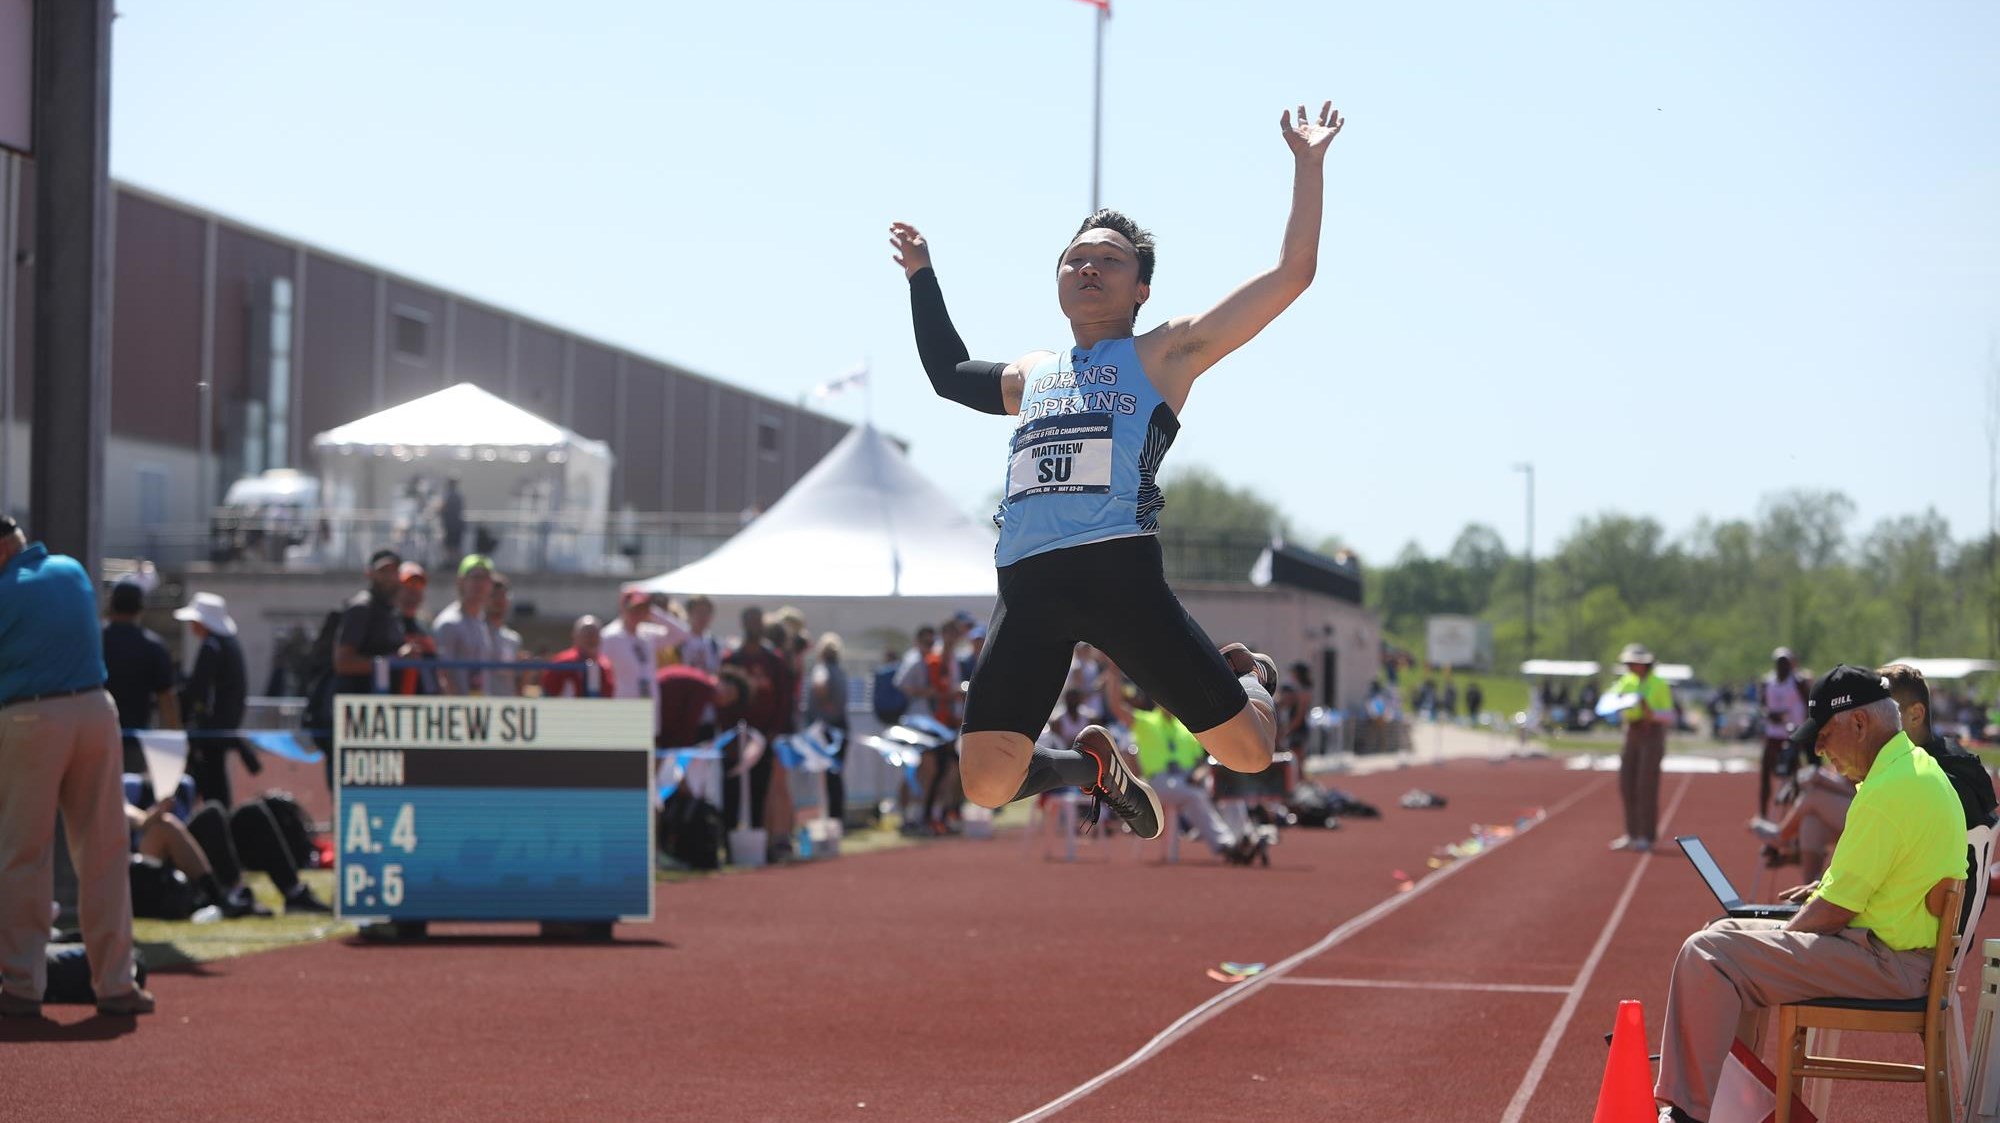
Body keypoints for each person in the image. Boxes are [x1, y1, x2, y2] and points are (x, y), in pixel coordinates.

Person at [886, 100, 1341, 839]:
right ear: (1058, 281)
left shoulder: (1167, 352)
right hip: (1029, 587)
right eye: (1075, 259)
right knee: (987, 780)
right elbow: (946, 372)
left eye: (1109, 259)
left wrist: (1308, 166)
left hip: (1119, 578)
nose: (1088, 266)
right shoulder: (1035, 372)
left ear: (1141, 289)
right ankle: (1091, 767)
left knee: (1249, 754)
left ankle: (1248, 676)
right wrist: (922, 275)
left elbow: (1294, 273)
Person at [1653, 665, 1965, 1123]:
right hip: (1896, 951)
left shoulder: (1888, 790)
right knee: (1725, 934)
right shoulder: (1914, 770)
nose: (1819, 750)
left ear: (1859, 724)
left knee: (1709, 953)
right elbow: (1855, 887)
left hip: (1890, 961)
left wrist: (1782, 939)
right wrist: (1773, 937)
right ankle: (1731, 1105)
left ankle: (1690, 1113)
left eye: (1824, 735)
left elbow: (1836, 910)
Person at [0, 514, 152, 1017]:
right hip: (94, 710)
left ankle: (22, 988)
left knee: (25, 855)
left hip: (30, 718)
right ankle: (115, 984)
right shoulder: (72, 572)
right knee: (105, 852)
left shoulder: (6, 590)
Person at [1129, 689, 1262, 865]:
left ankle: (1243, 838)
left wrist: (1200, 773)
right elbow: (1116, 707)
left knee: (1226, 788)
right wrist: (1113, 674)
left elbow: (1201, 761)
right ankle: (1228, 845)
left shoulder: (1184, 726)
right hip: (1159, 781)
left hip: (1188, 778)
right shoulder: (1145, 721)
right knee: (1194, 795)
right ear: (1157, 701)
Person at [175, 592, 257, 808]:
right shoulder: (229, 644)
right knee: (215, 781)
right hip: (223, 727)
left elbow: (198, 688)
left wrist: (186, 712)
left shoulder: (212, 646)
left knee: (212, 783)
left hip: (210, 731)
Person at [102, 580, 182, 794]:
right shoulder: (153, 646)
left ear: (112, 605)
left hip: (97, 738)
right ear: (140, 609)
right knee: (132, 799)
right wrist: (175, 740)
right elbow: (167, 698)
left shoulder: (95, 641)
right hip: (137, 742)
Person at [1609, 643, 1673, 853]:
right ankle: (1631, 833)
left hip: (1651, 733)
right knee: (1627, 782)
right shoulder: (1626, 681)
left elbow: (1669, 715)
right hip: (1632, 732)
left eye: (1632, 663)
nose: (1628, 666)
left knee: (1646, 784)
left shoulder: (1659, 684)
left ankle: (1646, 835)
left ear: (1643, 664)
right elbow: (1610, 701)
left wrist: (1650, 713)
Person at [333, 549, 417, 696]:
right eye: (383, 571)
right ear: (369, 573)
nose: (389, 577)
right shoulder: (361, 608)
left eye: (394, 571)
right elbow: (343, 663)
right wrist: (393, 660)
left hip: (382, 706)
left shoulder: (392, 612)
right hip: (358, 705)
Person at [430, 554, 497, 695]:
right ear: (461, 581)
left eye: (485, 578)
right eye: (475, 577)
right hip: (460, 710)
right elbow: (442, 674)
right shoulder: (449, 622)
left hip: (480, 708)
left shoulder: (481, 622)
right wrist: (458, 708)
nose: (480, 584)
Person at [1757, 647, 1808, 818]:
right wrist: (1770, 715)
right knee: (1765, 773)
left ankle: (1795, 813)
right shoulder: (1767, 683)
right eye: (1779, 664)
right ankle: (1763, 814)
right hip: (1773, 734)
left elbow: (1809, 704)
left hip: (1793, 734)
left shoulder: (1798, 682)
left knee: (1795, 776)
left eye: (1786, 663)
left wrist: (1804, 732)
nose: (1782, 667)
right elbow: (1762, 706)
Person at [807, 633, 851, 824]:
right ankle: (836, 815)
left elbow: (820, 686)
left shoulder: (822, 669)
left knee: (830, 774)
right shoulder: (841, 672)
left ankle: (833, 817)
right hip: (840, 725)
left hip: (827, 727)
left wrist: (824, 704)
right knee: (835, 773)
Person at [393, 561, 438, 696]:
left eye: (418, 589)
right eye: (408, 588)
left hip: (425, 702)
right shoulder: (388, 624)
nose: (413, 594)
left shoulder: (425, 627)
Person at [542, 615, 614, 698]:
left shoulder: (605, 663)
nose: (590, 638)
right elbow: (548, 692)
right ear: (575, 635)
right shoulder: (563, 661)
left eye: (594, 633)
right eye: (586, 634)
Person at [485, 576, 523, 697]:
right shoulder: (474, 633)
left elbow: (517, 682)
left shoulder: (513, 639)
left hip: (505, 707)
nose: (499, 600)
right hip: (479, 706)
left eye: (503, 595)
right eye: (494, 595)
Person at [677, 595, 722, 675]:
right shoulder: (679, 641)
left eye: (706, 613)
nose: (703, 617)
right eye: (699, 612)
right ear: (689, 613)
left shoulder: (714, 643)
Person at [438, 476, 466, 560]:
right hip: (456, 524)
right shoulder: (458, 495)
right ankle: (455, 561)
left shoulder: (449, 495)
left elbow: (442, 508)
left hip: (451, 525)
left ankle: (453, 561)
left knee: (451, 545)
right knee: (454, 545)